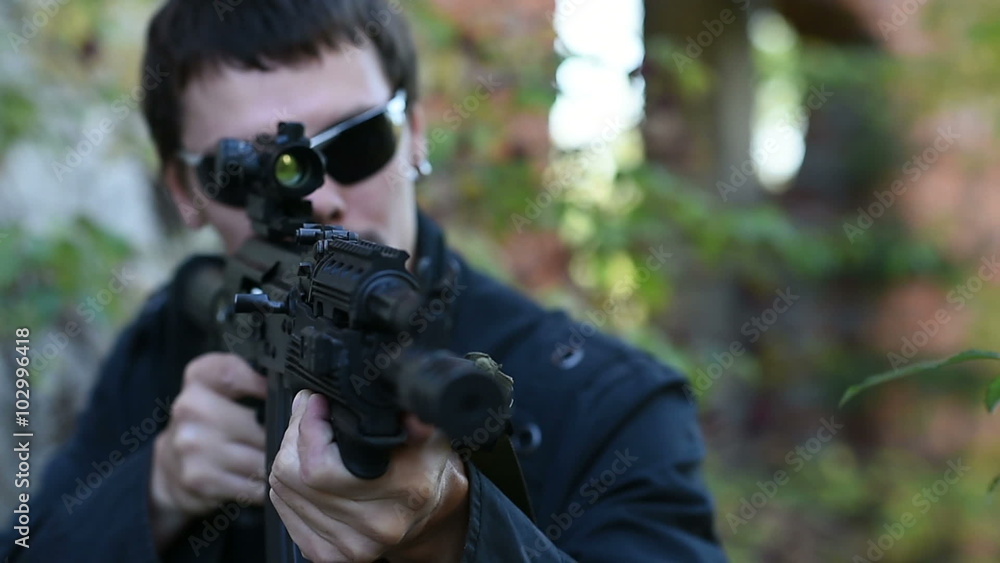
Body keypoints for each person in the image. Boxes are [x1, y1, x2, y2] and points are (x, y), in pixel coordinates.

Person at [1, 0, 727, 561]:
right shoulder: (175, 335)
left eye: (357, 141)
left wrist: (453, 537)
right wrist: (154, 492)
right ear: (185, 191)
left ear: (415, 135)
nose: (316, 196)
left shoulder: (605, 402)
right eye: (242, 171)